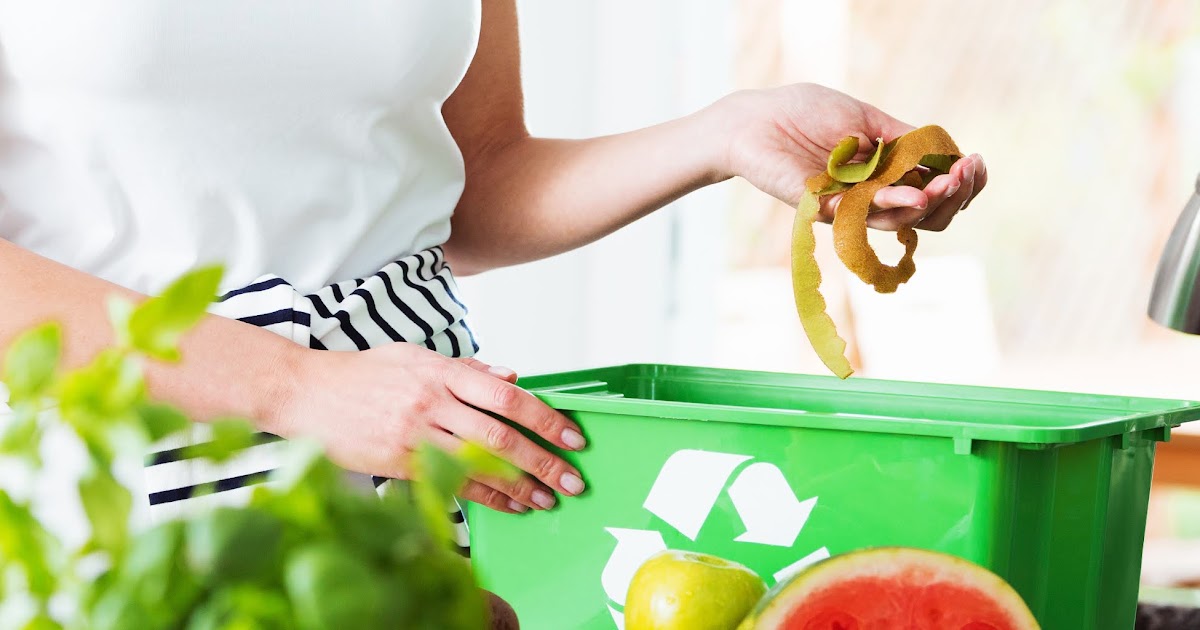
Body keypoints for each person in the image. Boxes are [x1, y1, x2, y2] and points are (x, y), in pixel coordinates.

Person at [0, 1, 986, 532]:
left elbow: (478, 186)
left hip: (419, 467)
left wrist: (726, 134)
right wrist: (297, 385)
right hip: (116, 475)